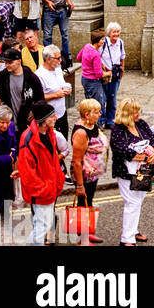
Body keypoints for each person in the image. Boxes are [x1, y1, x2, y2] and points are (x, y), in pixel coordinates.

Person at [109, 99, 154, 246]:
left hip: (144, 171)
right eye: (135, 112)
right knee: (132, 203)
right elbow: (121, 150)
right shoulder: (117, 129)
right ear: (126, 114)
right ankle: (127, 239)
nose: (139, 114)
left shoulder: (141, 124)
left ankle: (133, 230)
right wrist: (146, 156)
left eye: (139, 111)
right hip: (126, 172)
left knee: (138, 202)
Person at [16, 102, 63, 245]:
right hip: (41, 190)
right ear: (43, 120)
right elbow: (27, 170)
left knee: (44, 224)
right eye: (52, 116)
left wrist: (57, 180)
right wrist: (42, 188)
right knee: (41, 227)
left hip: (49, 187)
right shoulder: (29, 138)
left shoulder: (49, 134)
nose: (56, 117)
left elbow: (53, 160)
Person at [68, 99, 105, 244]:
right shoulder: (81, 133)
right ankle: (82, 239)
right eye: (96, 112)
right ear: (86, 114)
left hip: (92, 173)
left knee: (89, 202)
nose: (100, 114)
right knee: (83, 205)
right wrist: (79, 185)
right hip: (83, 174)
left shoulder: (92, 125)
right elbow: (76, 161)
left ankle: (88, 233)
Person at [0, 47, 44, 128]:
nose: (7, 65)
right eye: (5, 62)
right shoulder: (1, 77)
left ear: (19, 61)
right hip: (7, 125)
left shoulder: (31, 78)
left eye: (10, 62)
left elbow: (40, 98)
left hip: (25, 125)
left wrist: (34, 111)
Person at [33, 46, 71, 137]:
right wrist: (55, 95)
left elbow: (61, 84)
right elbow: (38, 98)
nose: (60, 60)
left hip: (61, 112)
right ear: (48, 59)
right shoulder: (39, 76)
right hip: (48, 118)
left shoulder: (57, 68)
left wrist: (67, 89)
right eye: (58, 58)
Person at [75, 29, 112, 119]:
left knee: (89, 104)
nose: (103, 41)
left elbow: (78, 57)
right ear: (97, 41)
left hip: (84, 79)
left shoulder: (86, 46)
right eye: (102, 39)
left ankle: (88, 121)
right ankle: (97, 124)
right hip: (93, 82)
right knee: (97, 104)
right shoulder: (95, 54)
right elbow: (98, 74)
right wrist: (108, 73)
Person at [99, 23, 126, 128]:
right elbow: (97, 55)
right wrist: (102, 67)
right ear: (109, 33)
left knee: (112, 97)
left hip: (115, 73)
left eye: (118, 31)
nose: (116, 34)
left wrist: (122, 68)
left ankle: (110, 121)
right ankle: (102, 119)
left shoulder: (120, 42)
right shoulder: (104, 42)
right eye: (114, 32)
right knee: (103, 97)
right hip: (105, 74)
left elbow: (122, 56)